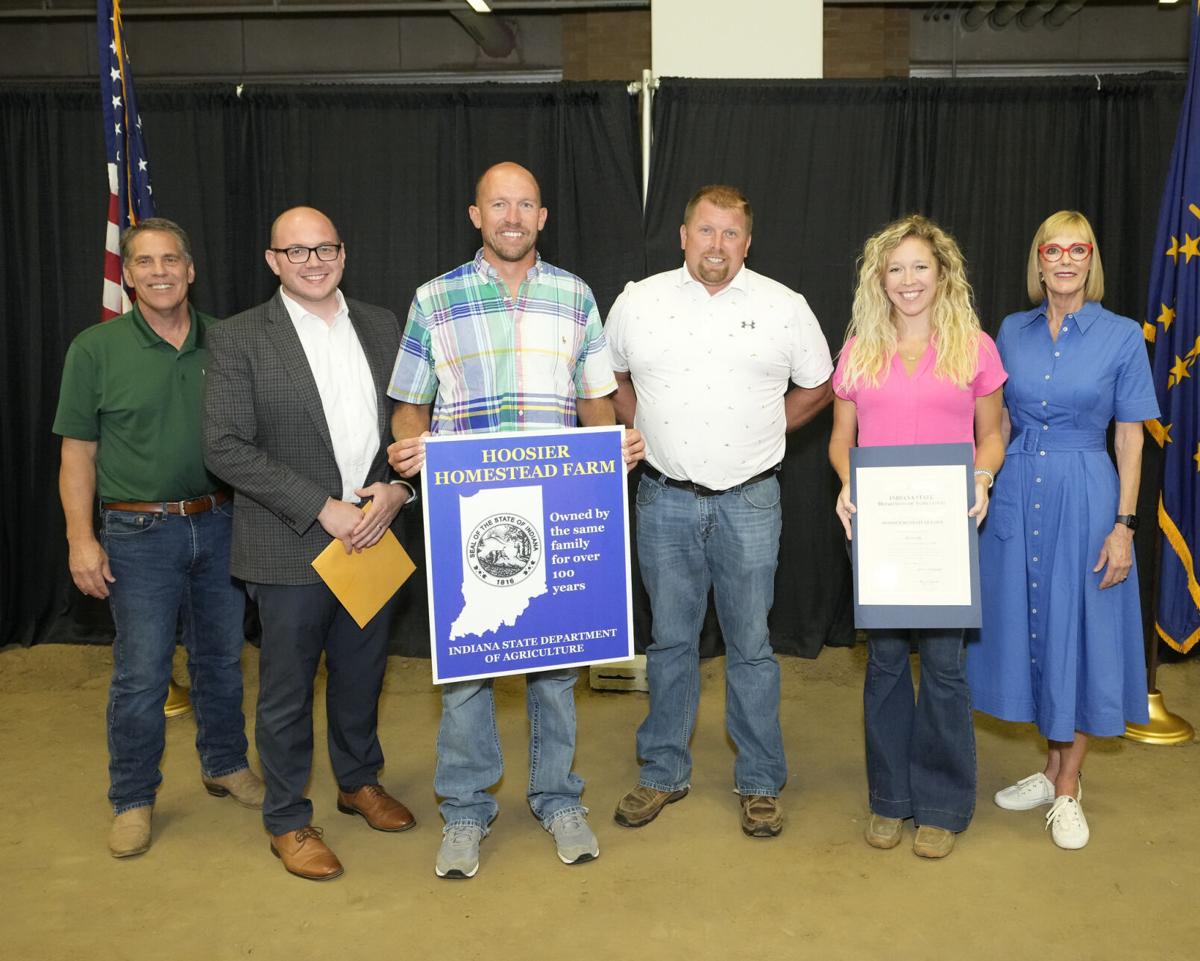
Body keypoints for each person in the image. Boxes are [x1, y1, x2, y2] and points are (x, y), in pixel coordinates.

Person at [387, 162, 642, 879]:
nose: (511, 215)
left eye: (524, 204)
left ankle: (558, 797)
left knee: (556, 668)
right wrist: (407, 443)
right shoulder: (434, 299)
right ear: (476, 214)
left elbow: (595, 400)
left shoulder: (574, 296)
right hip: (468, 514)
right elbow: (410, 399)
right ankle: (466, 811)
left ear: (542, 216)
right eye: (499, 203)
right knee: (468, 669)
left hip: (556, 506)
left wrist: (610, 451)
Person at [606, 184, 833, 839]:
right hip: (664, 499)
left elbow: (820, 382)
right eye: (705, 231)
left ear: (747, 242)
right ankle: (661, 772)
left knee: (752, 646)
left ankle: (760, 781)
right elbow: (607, 374)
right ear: (683, 236)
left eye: (730, 233)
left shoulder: (783, 306)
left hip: (751, 500)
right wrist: (636, 422)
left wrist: (773, 428)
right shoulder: (638, 301)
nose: (717, 245)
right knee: (671, 641)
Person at [203, 206, 416, 882]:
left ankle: (357, 780)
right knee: (288, 689)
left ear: (343, 253)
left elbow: (410, 424)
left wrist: (396, 490)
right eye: (296, 251)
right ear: (273, 261)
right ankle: (289, 818)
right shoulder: (239, 338)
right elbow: (224, 446)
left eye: (325, 247)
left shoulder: (383, 325)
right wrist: (318, 506)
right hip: (289, 542)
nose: (313, 260)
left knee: (362, 673)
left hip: (374, 534)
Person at [53, 217, 262, 859]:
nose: (160, 272)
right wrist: (80, 540)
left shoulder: (228, 342)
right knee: (142, 676)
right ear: (129, 273)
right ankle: (133, 797)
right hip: (136, 532)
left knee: (222, 661)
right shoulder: (94, 348)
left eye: (171, 259)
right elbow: (78, 453)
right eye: (144, 262)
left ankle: (225, 763)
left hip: (221, 523)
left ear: (190, 269)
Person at [967, 211, 1159, 850]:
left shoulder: (1123, 335)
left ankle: (1070, 784)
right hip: (1019, 492)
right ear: (1039, 259)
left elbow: (1130, 438)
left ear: (1092, 260)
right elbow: (995, 425)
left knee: (1081, 633)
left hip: (1086, 494)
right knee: (1037, 628)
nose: (1067, 260)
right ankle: (1048, 772)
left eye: (1080, 249)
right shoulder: (1010, 332)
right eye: (1055, 249)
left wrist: (1124, 525)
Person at [828, 214, 1006, 859]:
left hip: (947, 529)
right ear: (880, 279)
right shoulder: (858, 351)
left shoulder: (974, 347)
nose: (908, 280)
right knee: (882, 665)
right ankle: (890, 800)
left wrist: (982, 477)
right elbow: (840, 442)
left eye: (920, 267)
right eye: (895, 268)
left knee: (945, 668)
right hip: (877, 529)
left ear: (942, 274)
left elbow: (993, 431)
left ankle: (941, 804)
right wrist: (848, 485)